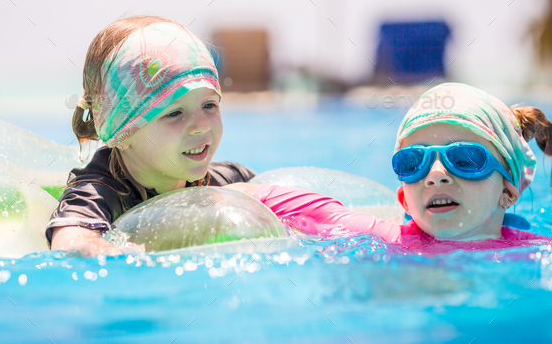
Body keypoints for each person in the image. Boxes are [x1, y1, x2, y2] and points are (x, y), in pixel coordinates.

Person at [227, 83, 552, 253]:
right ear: (404, 200)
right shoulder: (390, 240)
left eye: (465, 159)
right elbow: (320, 212)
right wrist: (237, 191)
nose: (436, 174)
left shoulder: (536, 253)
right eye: (413, 162)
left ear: (508, 192)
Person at [48, 16, 255, 256]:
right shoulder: (98, 191)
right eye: (174, 113)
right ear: (122, 132)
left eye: (209, 105)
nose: (201, 126)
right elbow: (71, 242)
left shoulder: (230, 180)